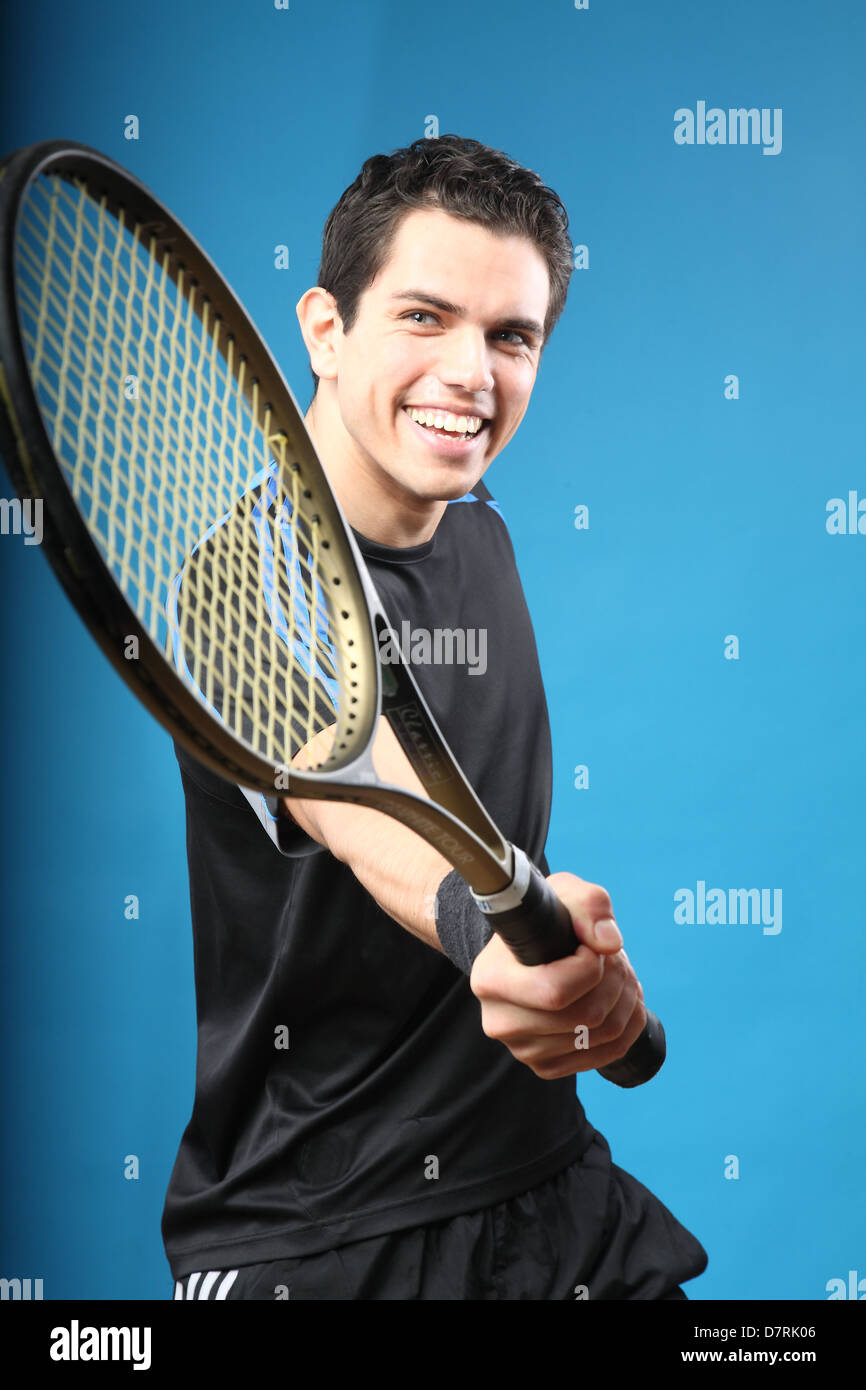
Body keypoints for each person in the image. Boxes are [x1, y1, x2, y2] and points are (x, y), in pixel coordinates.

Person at [163, 134, 708, 1301]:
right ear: (324, 329)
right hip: (326, 1237)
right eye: (422, 316)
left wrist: (572, 978)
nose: (472, 372)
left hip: (550, 1187)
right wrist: (498, 930)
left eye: (510, 335)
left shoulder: (479, 519)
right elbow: (375, 819)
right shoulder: (231, 594)